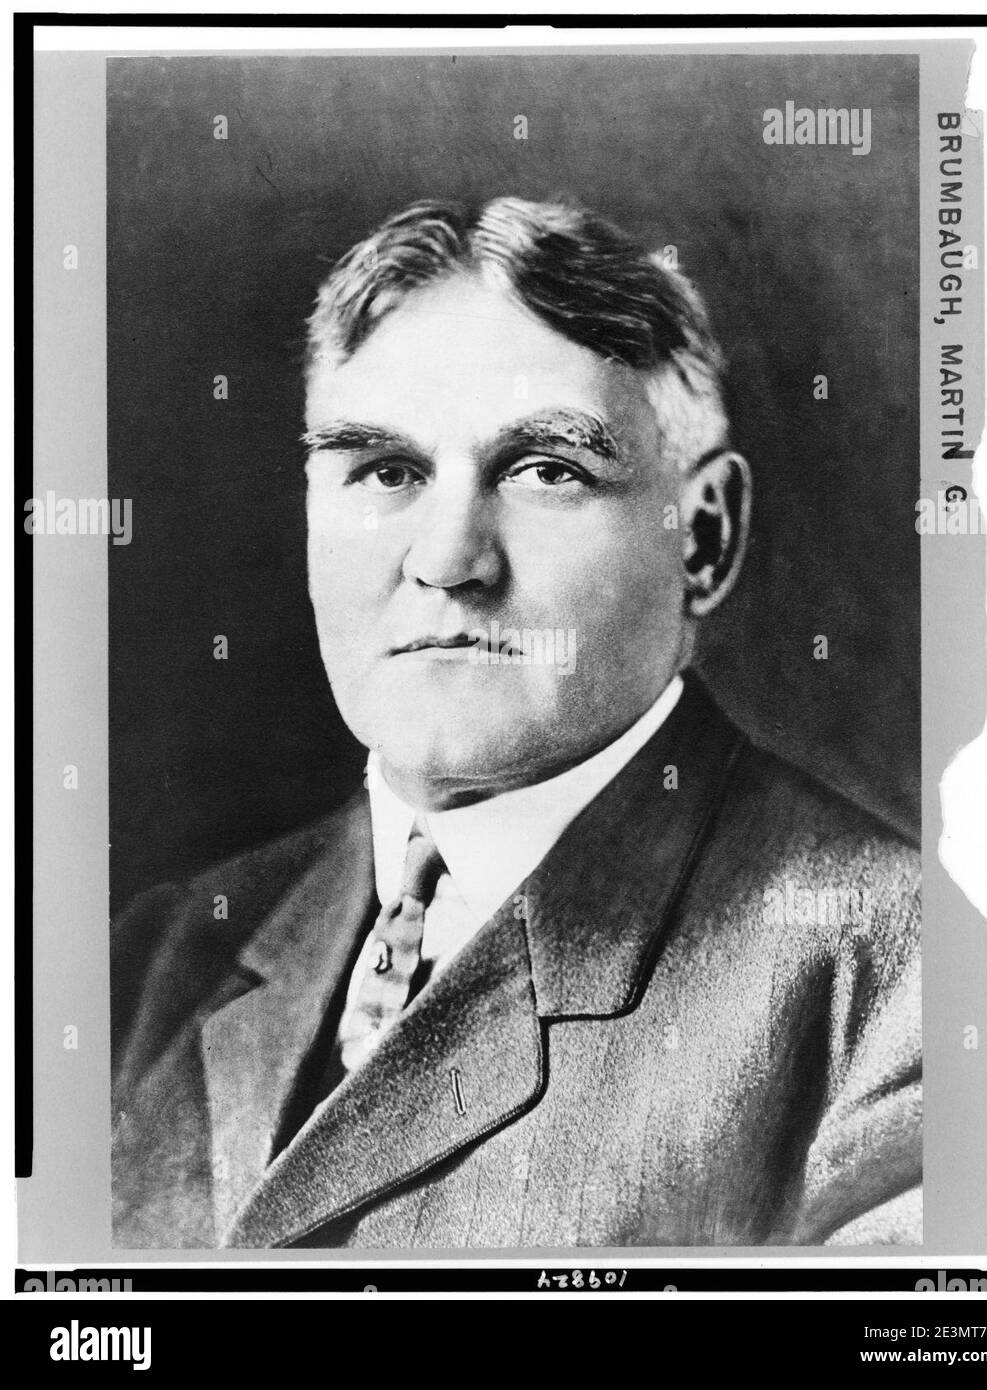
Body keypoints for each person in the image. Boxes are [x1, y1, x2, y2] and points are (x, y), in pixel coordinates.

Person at [111, 197, 921, 1250]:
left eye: (547, 470)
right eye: (385, 470)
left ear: (704, 537)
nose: (447, 559)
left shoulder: (902, 982)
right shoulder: (157, 956)